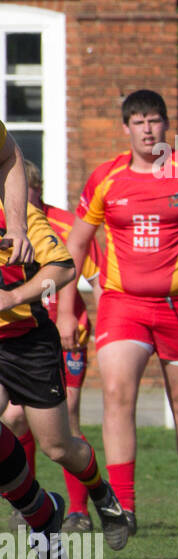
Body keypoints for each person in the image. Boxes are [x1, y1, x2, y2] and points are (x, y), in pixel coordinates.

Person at [60, 90, 178, 536]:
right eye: (139, 121)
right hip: (123, 303)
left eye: (155, 121)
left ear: (167, 125)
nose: (148, 129)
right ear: (126, 128)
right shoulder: (106, 178)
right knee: (116, 393)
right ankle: (122, 508)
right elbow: (77, 244)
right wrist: (67, 311)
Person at [6, 161, 106, 531]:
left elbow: (84, 275)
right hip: (12, 340)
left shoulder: (52, 222)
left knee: (63, 434)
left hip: (52, 337)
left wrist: (82, 320)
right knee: (14, 420)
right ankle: (30, 503)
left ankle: (83, 506)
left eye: (29, 192)